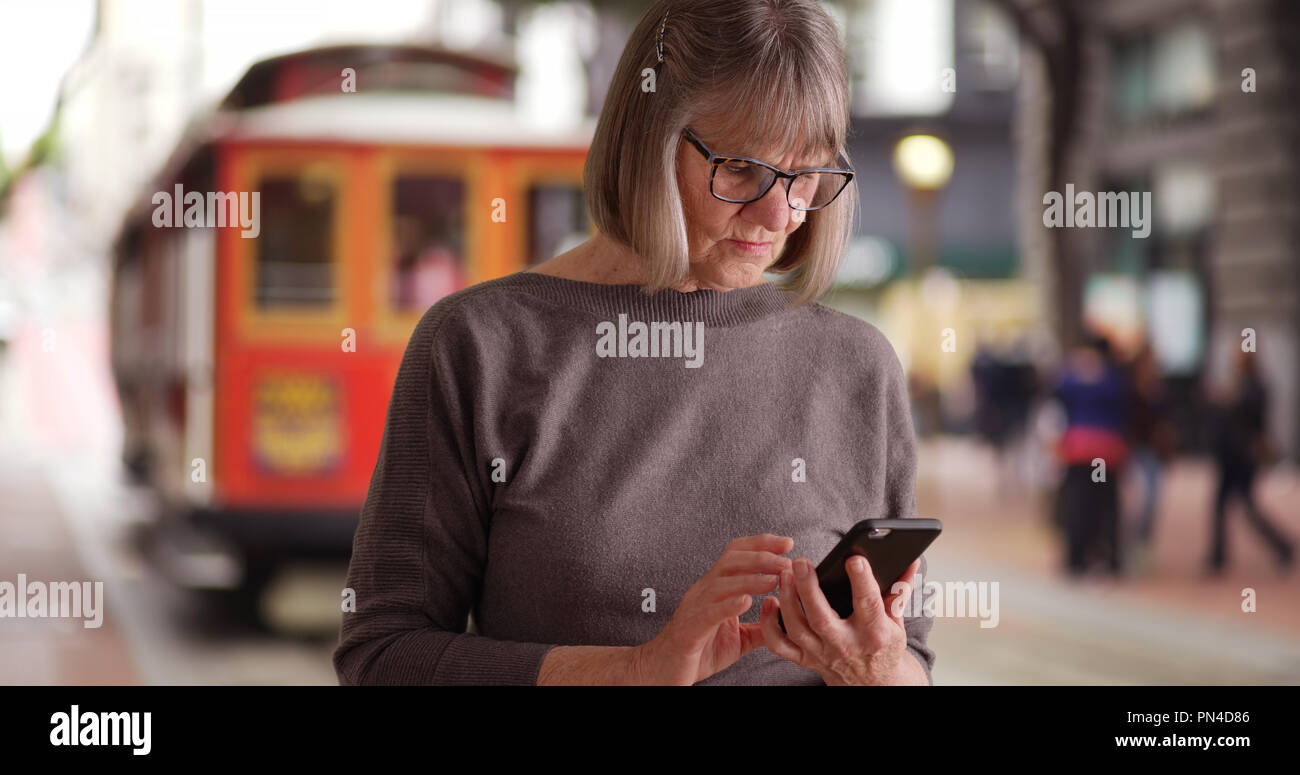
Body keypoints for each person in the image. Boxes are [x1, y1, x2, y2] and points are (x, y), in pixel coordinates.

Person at [332, 0, 937, 685]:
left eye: (808, 175)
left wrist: (881, 669)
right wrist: (634, 670)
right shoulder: (477, 346)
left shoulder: (859, 367)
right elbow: (382, 657)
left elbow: (910, 656)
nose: (781, 215)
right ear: (647, 139)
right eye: (740, 168)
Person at [1205, 350, 1295, 575]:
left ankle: (1283, 545)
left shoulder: (1255, 387)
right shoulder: (1239, 385)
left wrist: (1227, 399)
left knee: (1247, 506)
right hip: (1228, 455)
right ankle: (1218, 556)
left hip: (1243, 457)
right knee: (1221, 506)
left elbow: (1252, 417)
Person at [1053, 334, 1129, 577]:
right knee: (1103, 504)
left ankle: (1078, 558)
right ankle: (1106, 557)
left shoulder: (1074, 377)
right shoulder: (1112, 377)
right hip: (1104, 450)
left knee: (1080, 503)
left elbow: (1059, 397)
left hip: (1080, 448)